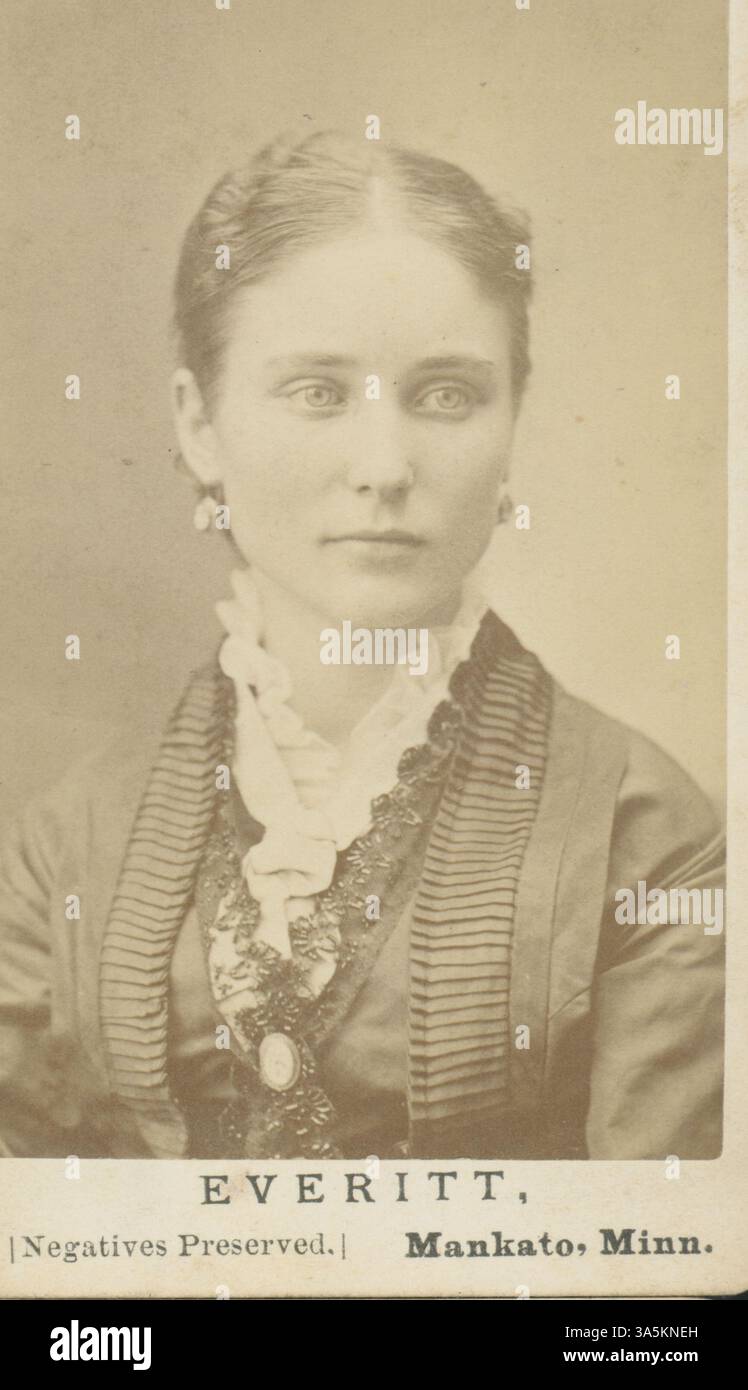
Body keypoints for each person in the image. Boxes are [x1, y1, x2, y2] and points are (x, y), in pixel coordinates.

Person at [0, 130, 724, 1161]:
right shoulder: (64, 848)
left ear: (511, 422)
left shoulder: (644, 836)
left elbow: (656, 1292)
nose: (384, 465)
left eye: (445, 395)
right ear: (198, 424)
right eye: (317, 393)